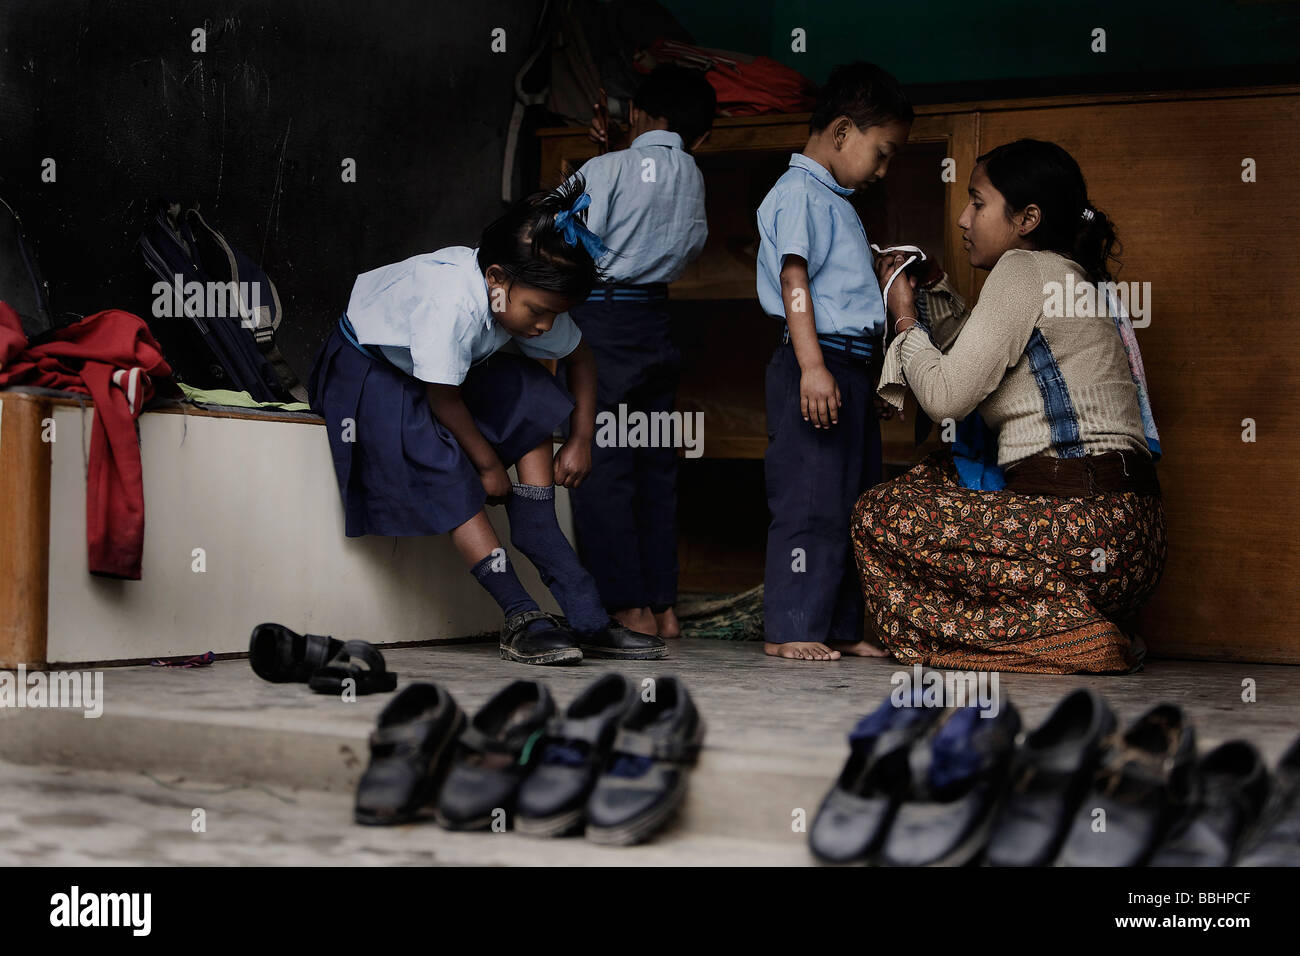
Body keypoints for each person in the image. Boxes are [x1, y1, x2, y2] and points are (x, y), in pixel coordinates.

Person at [308, 177, 667, 665]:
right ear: (496, 278)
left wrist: (582, 438)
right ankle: (520, 615)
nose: (544, 326)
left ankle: (577, 599)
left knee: (529, 392)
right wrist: (488, 466)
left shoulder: (523, 293)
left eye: (553, 315)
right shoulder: (450, 303)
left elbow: (581, 358)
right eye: (538, 313)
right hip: (370, 370)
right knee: (437, 458)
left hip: (445, 374)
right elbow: (443, 400)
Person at [857, 138, 1166, 675]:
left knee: (878, 516)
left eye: (977, 202)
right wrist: (934, 290)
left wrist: (904, 316)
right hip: (1133, 542)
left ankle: (1070, 638)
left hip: (1081, 526)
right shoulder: (1067, 274)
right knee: (931, 480)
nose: (963, 218)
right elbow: (980, 365)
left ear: (1026, 218)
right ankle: (1084, 621)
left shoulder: (1023, 271)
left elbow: (947, 395)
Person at [755, 61, 913, 662]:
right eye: (882, 152)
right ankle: (791, 626)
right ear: (842, 131)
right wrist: (814, 368)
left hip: (847, 368)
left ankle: (839, 625)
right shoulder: (797, 193)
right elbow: (795, 281)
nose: (883, 169)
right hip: (812, 365)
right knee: (810, 499)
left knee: (854, 502)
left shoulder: (834, 199)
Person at [565, 64, 715, 639]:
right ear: (696, 135)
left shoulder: (605, 169)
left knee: (603, 465)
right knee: (653, 462)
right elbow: (686, 235)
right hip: (655, 318)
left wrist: (592, 176)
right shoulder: (693, 174)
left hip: (603, 320)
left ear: (637, 115)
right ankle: (663, 605)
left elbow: (566, 232)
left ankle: (626, 609)